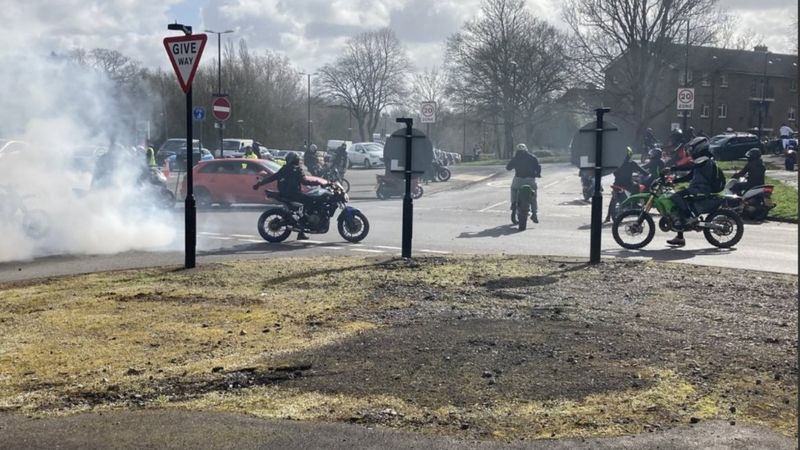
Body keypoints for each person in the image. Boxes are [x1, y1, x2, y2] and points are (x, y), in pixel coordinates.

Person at [252, 152, 328, 240]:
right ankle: (306, 224)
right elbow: (305, 182)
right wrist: (318, 182)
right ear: (295, 160)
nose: (298, 161)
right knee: (313, 201)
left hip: (284, 193)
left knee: (305, 206)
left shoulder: (283, 169)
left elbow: (272, 177)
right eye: (297, 160)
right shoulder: (297, 169)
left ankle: (301, 231)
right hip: (294, 194)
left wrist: (259, 184)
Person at [665, 137, 718, 246]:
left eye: (692, 148)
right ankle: (680, 237)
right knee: (679, 207)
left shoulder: (705, 159)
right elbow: (690, 176)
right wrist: (674, 181)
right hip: (696, 188)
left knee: (676, 196)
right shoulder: (701, 160)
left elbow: (690, 166)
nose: (690, 151)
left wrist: (673, 168)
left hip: (701, 189)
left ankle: (691, 217)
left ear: (699, 147)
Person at [604, 147, 648, 223]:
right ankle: (634, 204)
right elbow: (643, 171)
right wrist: (648, 174)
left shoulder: (617, 163)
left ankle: (608, 216)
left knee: (612, 200)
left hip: (617, 184)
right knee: (638, 187)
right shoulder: (632, 163)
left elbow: (614, 172)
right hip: (628, 184)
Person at [506, 143, 541, 223]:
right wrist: (538, 174)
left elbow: (508, 168)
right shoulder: (532, 157)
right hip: (530, 180)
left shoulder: (516, 158)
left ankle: (513, 203)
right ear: (526, 149)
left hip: (518, 179)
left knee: (513, 189)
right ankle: (534, 213)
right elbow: (538, 167)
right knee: (533, 195)